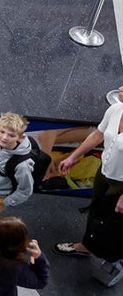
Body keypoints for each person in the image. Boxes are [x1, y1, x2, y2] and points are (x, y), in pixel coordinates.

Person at [53, 84, 123, 259]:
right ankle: (86, 245)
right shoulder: (115, 110)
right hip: (105, 172)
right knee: (96, 209)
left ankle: (111, 255)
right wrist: (72, 157)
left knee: (115, 220)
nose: (120, 88)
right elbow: (97, 136)